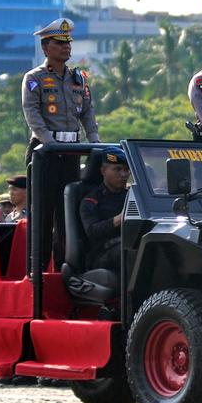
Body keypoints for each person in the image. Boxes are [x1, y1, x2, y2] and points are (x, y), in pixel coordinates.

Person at [21, 17, 99, 274]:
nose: (66, 48)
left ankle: (65, 271)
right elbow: (32, 114)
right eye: (59, 43)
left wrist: (95, 143)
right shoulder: (35, 78)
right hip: (44, 154)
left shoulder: (79, 79)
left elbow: (87, 113)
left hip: (71, 153)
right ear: (46, 48)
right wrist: (49, 143)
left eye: (68, 43)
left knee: (67, 216)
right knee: (42, 215)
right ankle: (37, 272)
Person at [79, 148, 130, 274]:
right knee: (130, 253)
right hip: (102, 254)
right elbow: (92, 231)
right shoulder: (91, 200)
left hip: (129, 245)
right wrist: (119, 219)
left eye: (126, 170)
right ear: (103, 171)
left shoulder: (132, 196)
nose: (123, 174)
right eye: (117, 169)